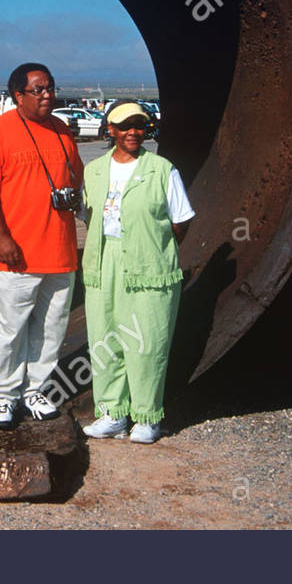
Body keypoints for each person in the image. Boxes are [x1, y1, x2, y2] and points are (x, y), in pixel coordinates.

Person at [80, 99, 194, 444]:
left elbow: (180, 222)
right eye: (125, 126)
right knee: (104, 338)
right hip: (104, 262)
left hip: (149, 264)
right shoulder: (94, 170)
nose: (133, 132)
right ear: (110, 130)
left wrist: (153, 247)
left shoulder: (162, 169)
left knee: (147, 341)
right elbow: (90, 217)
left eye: (139, 126)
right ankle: (112, 413)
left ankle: (146, 416)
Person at [0, 63, 83, 428]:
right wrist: (2, 237)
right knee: (10, 328)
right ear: (17, 96)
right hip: (16, 254)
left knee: (51, 328)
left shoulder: (62, 131)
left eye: (50, 88)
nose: (47, 95)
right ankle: (2, 395)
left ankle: (35, 388)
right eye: (38, 90)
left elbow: (77, 181)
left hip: (60, 250)